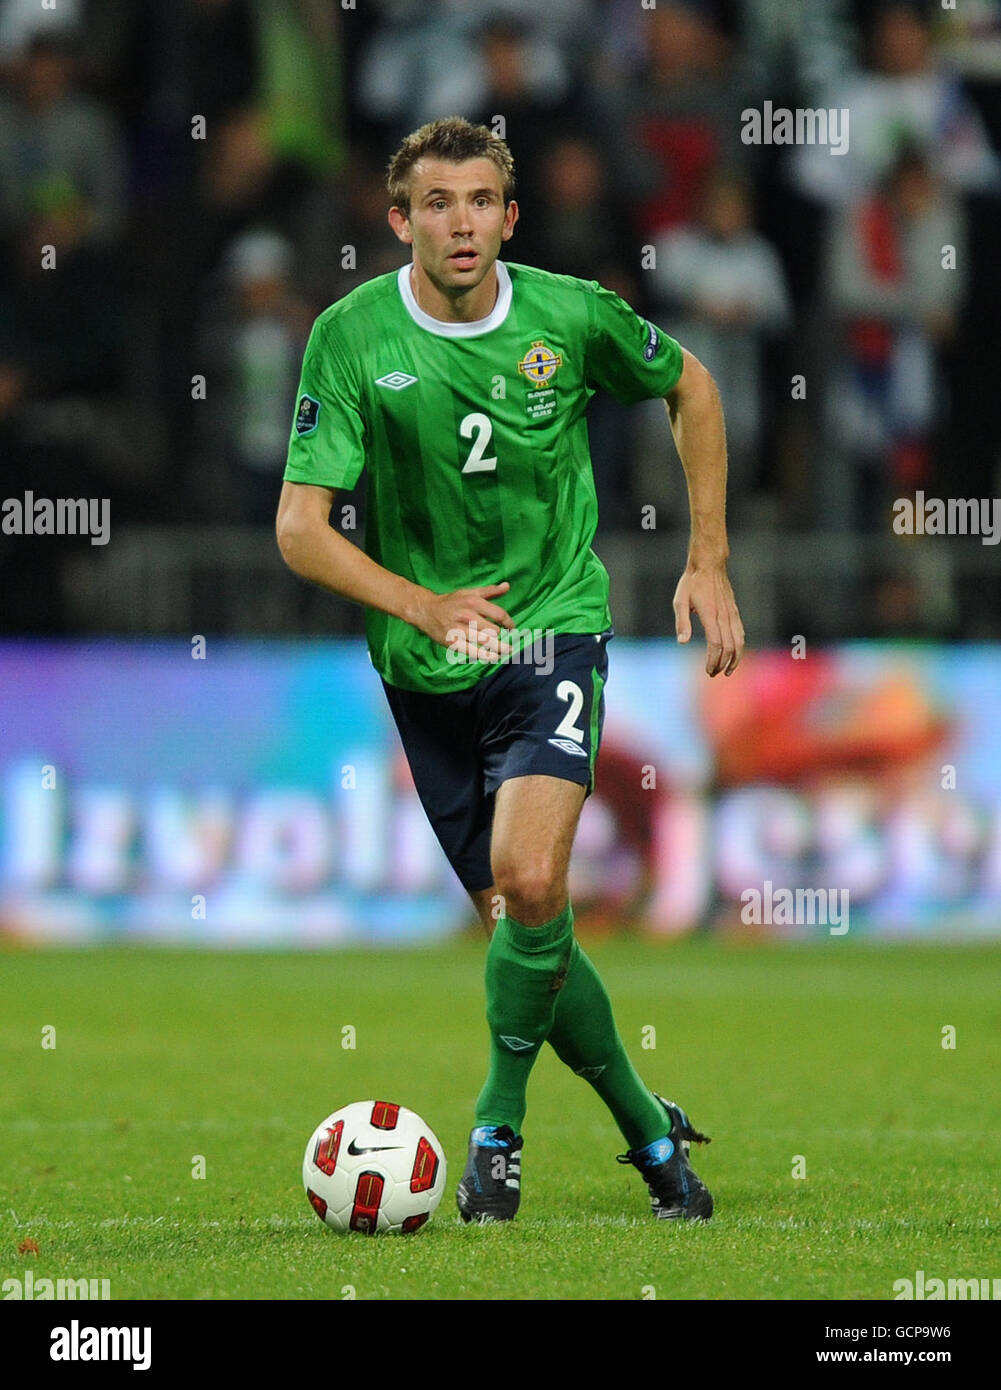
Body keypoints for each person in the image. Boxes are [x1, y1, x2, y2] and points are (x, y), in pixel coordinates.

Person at [276, 117, 744, 1222]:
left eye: (480, 201)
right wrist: (420, 605)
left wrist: (708, 557)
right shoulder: (348, 338)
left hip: (549, 631)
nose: (460, 222)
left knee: (531, 883)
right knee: (521, 929)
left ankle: (496, 1126)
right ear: (399, 222)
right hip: (422, 662)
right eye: (435, 203)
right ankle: (647, 1131)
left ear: (509, 217)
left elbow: (695, 389)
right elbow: (299, 529)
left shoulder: (567, 315)